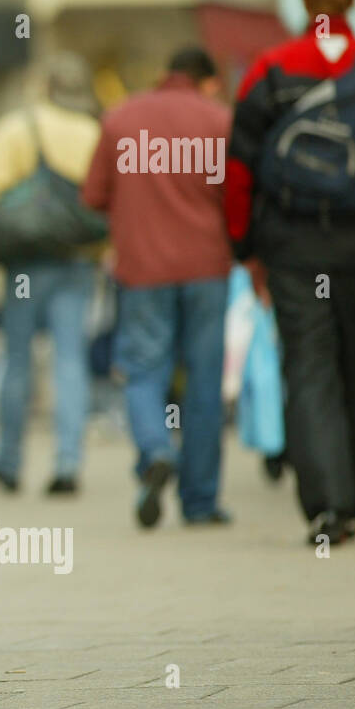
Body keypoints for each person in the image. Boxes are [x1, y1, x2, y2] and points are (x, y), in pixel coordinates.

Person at [224, 0, 355, 546]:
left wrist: (244, 244)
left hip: (292, 243)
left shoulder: (271, 69)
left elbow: (238, 169)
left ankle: (327, 505)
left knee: (309, 366)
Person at [82, 47, 233, 527]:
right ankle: (201, 501)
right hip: (207, 267)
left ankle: (155, 449)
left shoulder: (120, 118)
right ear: (206, 81)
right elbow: (239, 196)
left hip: (142, 268)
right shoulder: (220, 120)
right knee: (205, 380)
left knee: (143, 369)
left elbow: (93, 196)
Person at [0, 52, 102, 496]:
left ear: (44, 86)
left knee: (17, 359)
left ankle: (8, 459)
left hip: (24, 263)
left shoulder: (16, 128)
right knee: (70, 360)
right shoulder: (93, 132)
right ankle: (68, 463)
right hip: (78, 260)